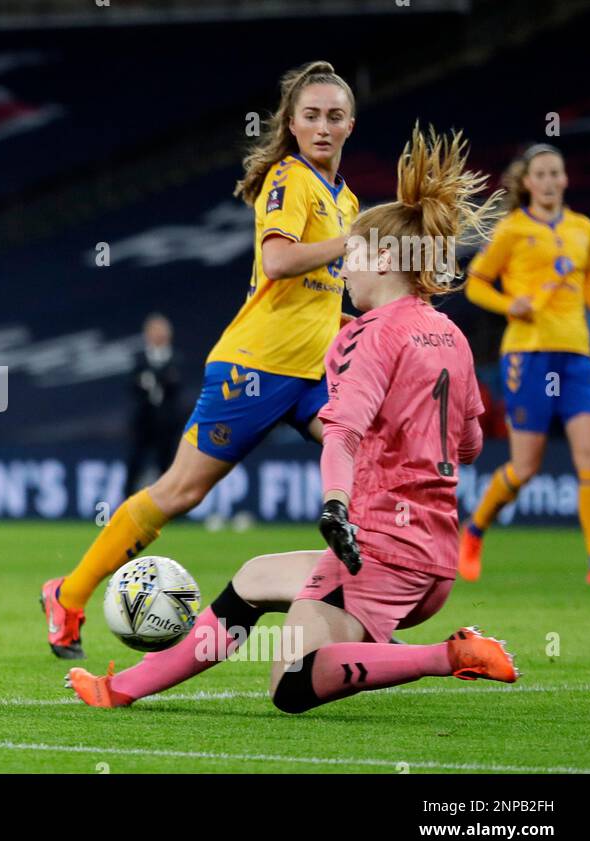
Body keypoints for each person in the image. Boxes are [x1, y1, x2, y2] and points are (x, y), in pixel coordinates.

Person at [67, 126, 518, 711]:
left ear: (383, 257)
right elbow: (472, 445)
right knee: (255, 578)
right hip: (434, 556)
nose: (343, 273)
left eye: (351, 256)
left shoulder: (366, 334)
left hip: (376, 549)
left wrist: (335, 503)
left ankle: (448, 655)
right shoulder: (451, 335)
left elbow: (344, 431)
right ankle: (120, 689)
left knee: (292, 684)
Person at [42, 61, 359, 658]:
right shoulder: (290, 180)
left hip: (313, 373)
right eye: (311, 115)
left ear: (350, 126)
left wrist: (368, 322)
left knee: (360, 463)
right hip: (256, 367)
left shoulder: (346, 200)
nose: (322, 126)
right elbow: (279, 263)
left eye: (334, 117)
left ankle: (352, 605)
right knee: (182, 491)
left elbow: (321, 298)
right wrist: (356, 241)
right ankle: (71, 592)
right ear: (291, 124)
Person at [459, 144, 590, 584]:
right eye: (539, 174)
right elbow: (475, 283)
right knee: (525, 468)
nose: (547, 181)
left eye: (554, 173)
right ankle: (475, 530)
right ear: (526, 182)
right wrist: (510, 304)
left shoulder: (584, 228)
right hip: (528, 355)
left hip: (577, 356)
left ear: (564, 179)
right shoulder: (512, 230)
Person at [124, 313, 182, 498]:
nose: (157, 335)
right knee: (135, 463)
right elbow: (132, 387)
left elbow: (176, 387)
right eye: (153, 331)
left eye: (161, 331)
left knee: (167, 465)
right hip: (144, 421)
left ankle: (170, 507)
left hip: (167, 423)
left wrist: (152, 380)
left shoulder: (176, 358)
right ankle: (126, 503)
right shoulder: (140, 359)